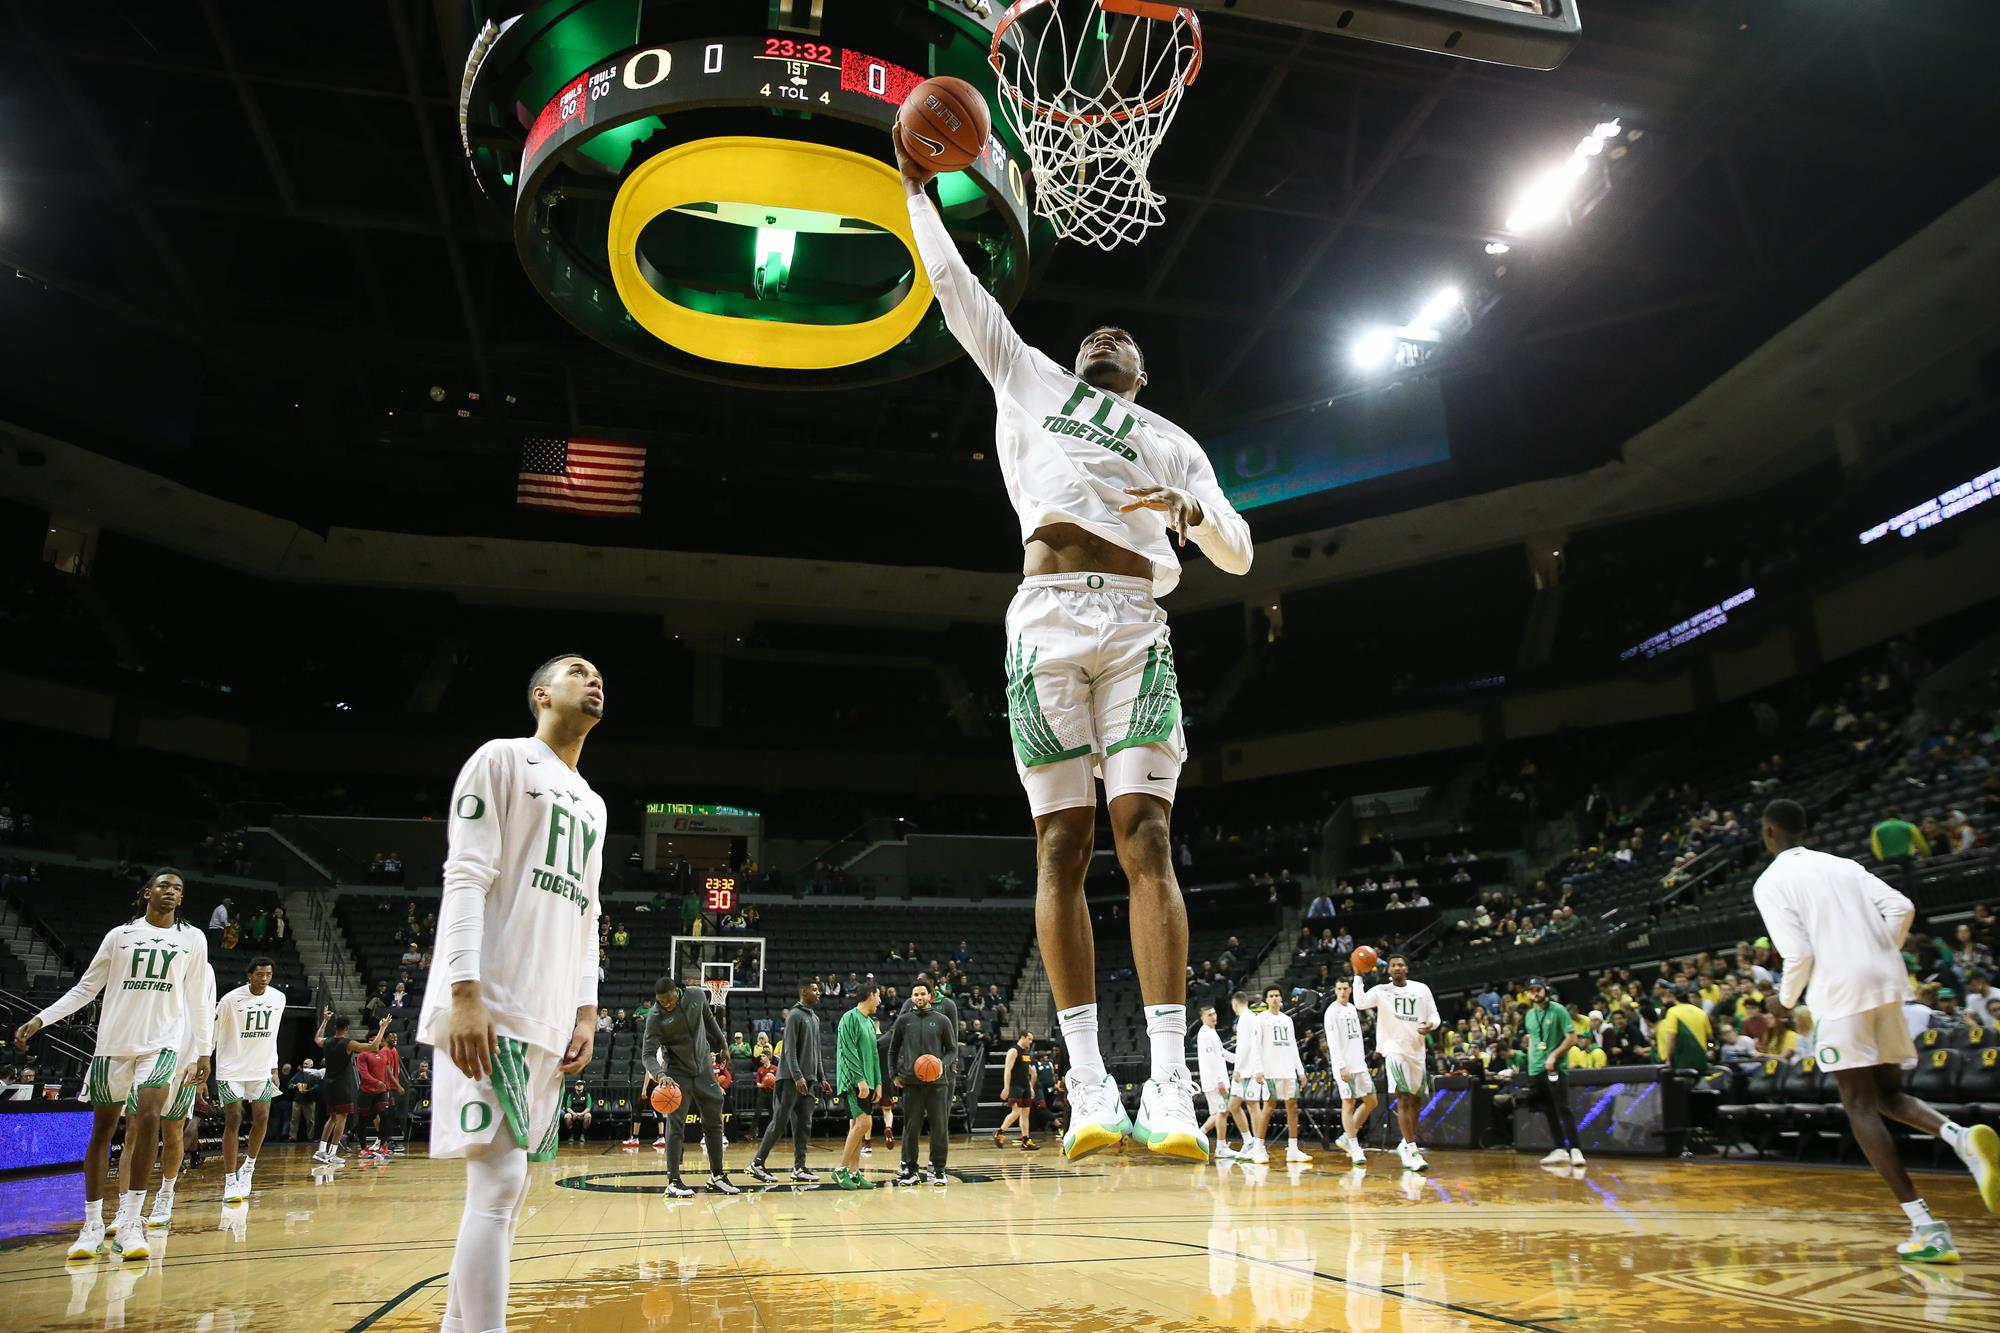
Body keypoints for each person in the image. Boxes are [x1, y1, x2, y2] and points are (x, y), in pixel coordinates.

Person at [895, 133, 1252, 1169]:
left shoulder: (1174, 440)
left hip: (1136, 625)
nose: (1104, 333)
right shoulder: (1027, 376)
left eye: (1121, 335)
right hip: (1044, 620)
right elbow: (953, 285)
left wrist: (1189, 510)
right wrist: (916, 189)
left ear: (1141, 373)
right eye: (1095, 329)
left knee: (1147, 838)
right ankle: (1090, 1077)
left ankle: (1170, 1081)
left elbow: (1238, 551)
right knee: (1060, 847)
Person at [419, 654, 609, 1333]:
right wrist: (463, 992)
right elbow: (466, 875)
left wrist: (585, 1010)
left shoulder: (594, 802)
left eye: (599, 676)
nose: (594, 680)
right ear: (540, 694)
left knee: (512, 1189)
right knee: (497, 1183)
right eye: (578, 671)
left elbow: (587, 912)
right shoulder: (500, 759)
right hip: (489, 1005)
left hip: (547, 1016)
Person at [1753, 797, 1999, 1262]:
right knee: (1888, 1095)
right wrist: (1877, 955)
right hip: (1888, 984)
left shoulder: (1770, 881)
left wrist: (1782, 1003)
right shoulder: (1843, 865)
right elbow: (1902, 906)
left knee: (1859, 1104)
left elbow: (1798, 954)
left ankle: (1926, 1227)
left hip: (1839, 994)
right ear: (1802, 827)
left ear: (1769, 832)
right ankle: (1960, 1137)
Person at [13, 868, 210, 1261]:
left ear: (182, 898)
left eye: (177, 888)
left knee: (149, 1117)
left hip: (161, 1044)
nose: (170, 891)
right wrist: (40, 1019)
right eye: (164, 885)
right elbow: (86, 987)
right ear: (147, 892)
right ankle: (91, 1224)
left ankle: (132, 1221)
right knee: (103, 1131)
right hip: (113, 1044)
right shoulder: (120, 936)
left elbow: (197, 999)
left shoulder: (193, 939)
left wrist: (203, 1051)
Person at [643, 973, 740, 1197]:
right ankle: (673, 1181)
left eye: (669, 1000)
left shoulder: (696, 995)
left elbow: (709, 1019)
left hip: (704, 1068)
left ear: (677, 992)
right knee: (676, 1125)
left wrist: (723, 1044)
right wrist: (660, 1074)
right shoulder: (655, 1016)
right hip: (677, 1073)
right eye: (661, 1002)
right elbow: (647, 1054)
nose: (666, 1005)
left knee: (714, 1122)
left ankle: (717, 1176)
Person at [1353, 953, 1439, 1173]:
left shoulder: (1422, 989)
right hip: (1394, 1050)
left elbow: (1435, 1015)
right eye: (1393, 965)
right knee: (1403, 1097)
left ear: (1406, 968)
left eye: (1401, 964)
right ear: (1389, 970)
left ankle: (1405, 1144)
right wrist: (1358, 975)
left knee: (1416, 1100)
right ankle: (1412, 1149)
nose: (1397, 968)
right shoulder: (1382, 991)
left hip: (1416, 1051)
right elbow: (1360, 1003)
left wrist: (1431, 1025)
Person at [214, 954, 286, 1202]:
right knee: (234, 1118)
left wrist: (274, 1068)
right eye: (259, 974)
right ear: (249, 975)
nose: (264, 978)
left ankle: (248, 1169)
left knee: (262, 1117)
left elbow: (273, 1035)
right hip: (231, 1069)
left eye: (268, 975)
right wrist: (201, 1064)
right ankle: (229, 1179)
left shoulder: (278, 998)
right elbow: (213, 1033)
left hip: (261, 1069)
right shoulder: (230, 1000)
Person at [750, 980, 830, 1184]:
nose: (818, 993)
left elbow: (817, 1052)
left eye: (818, 990)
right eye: (814, 989)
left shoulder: (814, 1018)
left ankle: (799, 1167)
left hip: (808, 1080)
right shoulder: (794, 1015)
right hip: (790, 1079)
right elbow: (789, 1049)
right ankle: (757, 1164)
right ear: (803, 991)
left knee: (804, 1124)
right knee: (779, 1122)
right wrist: (797, 1076)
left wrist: (821, 1077)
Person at [888, 981, 957, 1185]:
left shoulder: (942, 1020)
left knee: (939, 1127)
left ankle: (939, 1170)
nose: (919, 997)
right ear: (912, 997)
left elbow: (952, 1049)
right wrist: (893, 1074)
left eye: (922, 994)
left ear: (930, 996)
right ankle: (911, 1171)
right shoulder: (903, 1021)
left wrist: (941, 1064)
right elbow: (893, 1050)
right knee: (911, 1128)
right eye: (915, 994)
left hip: (937, 1083)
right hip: (911, 1082)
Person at [1521, 978, 1585, 1169]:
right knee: (1548, 1109)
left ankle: (1575, 1149)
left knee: (1562, 1107)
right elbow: (1533, 1041)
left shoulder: (1558, 1010)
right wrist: (1530, 1065)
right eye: (1532, 990)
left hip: (1555, 1067)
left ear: (1546, 990)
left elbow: (1572, 1038)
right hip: (1536, 1068)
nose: (1535, 994)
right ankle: (1559, 1148)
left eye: (1538, 990)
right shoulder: (1529, 1015)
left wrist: (1554, 1056)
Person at [313, 1010, 390, 1166]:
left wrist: (325, 1021)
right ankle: (331, 1153)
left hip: (328, 1084)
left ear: (335, 1026)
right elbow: (374, 1045)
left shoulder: (327, 1041)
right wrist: (382, 1028)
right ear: (347, 1028)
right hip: (342, 1085)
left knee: (332, 1118)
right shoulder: (348, 1043)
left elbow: (317, 1039)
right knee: (341, 1118)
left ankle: (321, 1150)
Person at [833, 983, 884, 1188]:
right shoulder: (849, 1018)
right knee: (865, 1124)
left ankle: (854, 1173)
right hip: (853, 1080)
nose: (880, 1001)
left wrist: (878, 1082)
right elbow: (848, 1051)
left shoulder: (870, 1023)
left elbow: (874, 1055)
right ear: (870, 995)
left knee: (856, 1125)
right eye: (878, 996)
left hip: (868, 1080)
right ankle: (840, 1169)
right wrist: (859, 1079)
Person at [1322, 979, 1376, 1168]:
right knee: (1349, 1103)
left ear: (1350, 990)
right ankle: (1354, 1146)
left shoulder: (1352, 1008)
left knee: (1372, 1101)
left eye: (1345, 988)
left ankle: (1346, 1137)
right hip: (1344, 1065)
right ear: (1335, 990)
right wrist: (1341, 1065)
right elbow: (1333, 1042)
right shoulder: (1331, 1011)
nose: (1342, 992)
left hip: (1359, 1063)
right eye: (1339, 989)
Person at [1259, 986, 1311, 1163]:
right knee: (1268, 1108)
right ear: (1266, 1000)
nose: (1274, 998)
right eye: (1271, 995)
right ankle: (1258, 1147)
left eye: (1277, 995)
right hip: (1270, 1071)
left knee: (1293, 1107)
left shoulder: (1287, 1020)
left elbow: (1293, 1047)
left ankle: (1293, 1149)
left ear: (1281, 999)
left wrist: (1300, 1071)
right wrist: (1258, 1069)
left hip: (1288, 1070)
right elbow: (1256, 1046)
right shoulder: (1261, 1019)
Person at [1194, 1003, 1249, 1158]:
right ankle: (1221, 1146)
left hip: (1214, 1080)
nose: (1213, 1017)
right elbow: (1212, 1060)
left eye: (1214, 1013)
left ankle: (1197, 1136)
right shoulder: (1206, 1034)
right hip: (1215, 1081)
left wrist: (1240, 1059)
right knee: (1222, 1112)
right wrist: (1219, 1081)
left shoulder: (1211, 1032)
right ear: (1202, 1017)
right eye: (1209, 1015)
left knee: (1217, 1113)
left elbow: (1222, 1053)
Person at [1225, 991, 1269, 1164]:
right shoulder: (1249, 1017)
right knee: (1233, 1105)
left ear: (1234, 1004)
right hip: (1245, 1068)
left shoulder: (1245, 1018)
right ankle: (1249, 1141)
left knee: (1253, 1106)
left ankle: (1259, 1146)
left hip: (1249, 1069)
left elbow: (1245, 1047)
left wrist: (1237, 1068)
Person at [994, 1031, 1040, 1150]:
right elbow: (1007, 1070)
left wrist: (1031, 1086)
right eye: (1029, 1039)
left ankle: (1026, 1140)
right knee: (1016, 1112)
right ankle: (999, 1133)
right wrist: (1006, 1087)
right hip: (1015, 1086)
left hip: (1025, 1086)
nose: (1031, 1042)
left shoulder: (1026, 1053)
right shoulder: (1013, 1051)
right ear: (1022, 1037)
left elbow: (1029, 1071)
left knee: (1025, 1114)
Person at [562, 1080, 593, 1144]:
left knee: (588, 1116)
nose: (579, 1086)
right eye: (577, 1085)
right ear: (575, 1087)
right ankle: (571, 1134)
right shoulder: (571, 1095)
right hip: (573, 1113)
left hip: (583, 1113)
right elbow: (568, 1107)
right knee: (567, 1116)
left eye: (581, 1085)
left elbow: (588, 1107)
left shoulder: (587, 1095)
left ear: (583, 1086)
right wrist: (574, 1114)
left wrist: (581, 1114)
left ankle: (583, 1134)